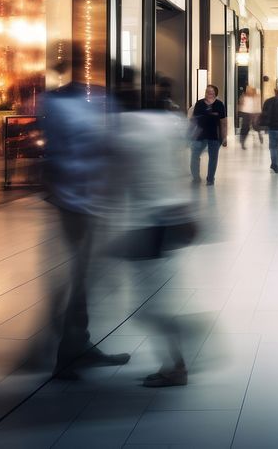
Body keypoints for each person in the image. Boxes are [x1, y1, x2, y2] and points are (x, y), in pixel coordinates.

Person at [39, 62, 130, 379]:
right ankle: (68, 352)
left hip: (86, 201)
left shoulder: (89, 102)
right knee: (80, 277)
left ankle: (77, 344)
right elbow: (73, 152)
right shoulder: (65, 104)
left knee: (83, 278)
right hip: (79, 204)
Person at [109, 81, 195, 387]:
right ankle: (177, 360)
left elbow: (119, 176)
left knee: (149, 305)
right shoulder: (168, 124)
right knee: (154, 297)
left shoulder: (128, 128)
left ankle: (178, 363)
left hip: (148, 222)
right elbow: (177, 170)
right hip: (168, 217)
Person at [190, 84, 227, 185]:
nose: (209, 94)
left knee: (213, 158)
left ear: (215, 94)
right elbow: (194, 120)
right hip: (200, 136)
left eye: (211, 92)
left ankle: (210, 179)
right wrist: (190, 133)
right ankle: (196, 177)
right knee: (194, 156)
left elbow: (223, 122)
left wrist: (224, 137)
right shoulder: (199, 104)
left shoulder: (219, 105)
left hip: (215, 136)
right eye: (207, 92)